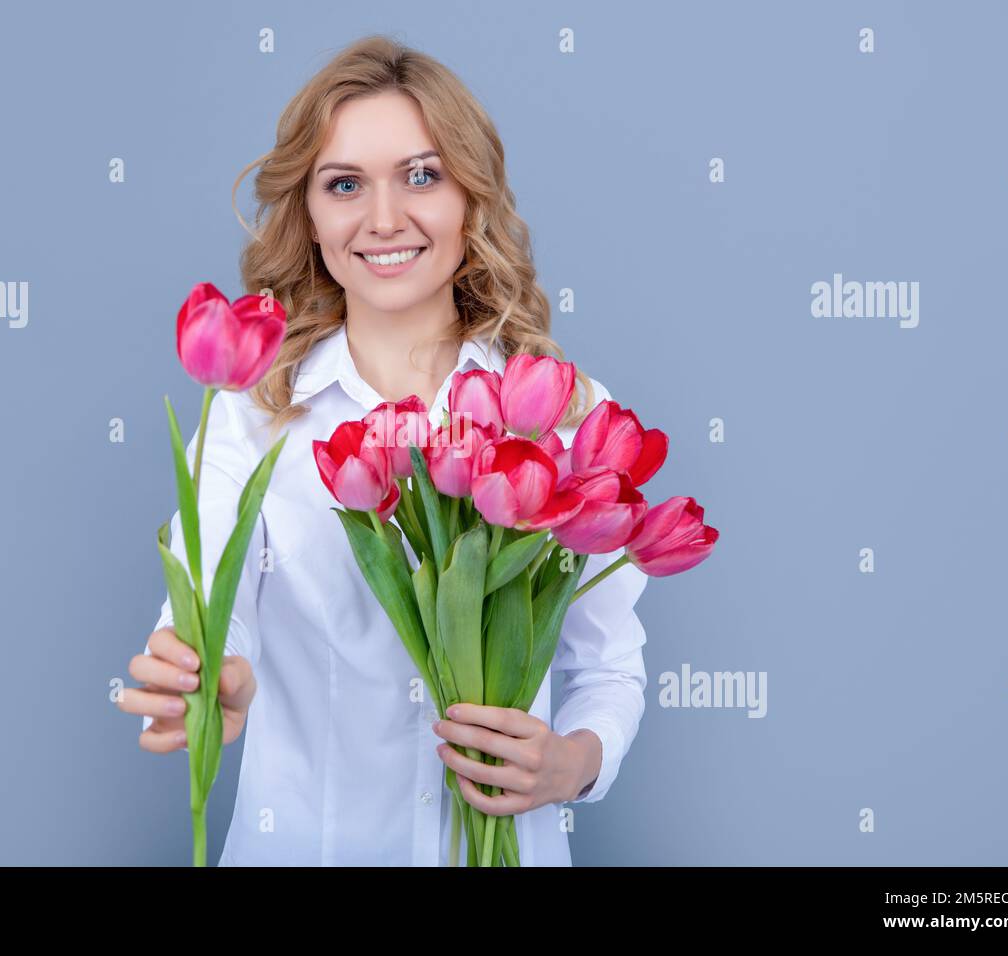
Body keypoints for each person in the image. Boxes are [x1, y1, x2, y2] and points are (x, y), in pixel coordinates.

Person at [119, 35, 649, 865]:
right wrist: (207, 674)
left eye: (422, 175)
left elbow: (610, 668)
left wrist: (571, 765)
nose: (385, 219)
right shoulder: (254, 411)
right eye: (344, 185)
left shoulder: (568, 416)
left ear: (472, 196)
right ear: (310, 214)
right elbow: (204, 592)